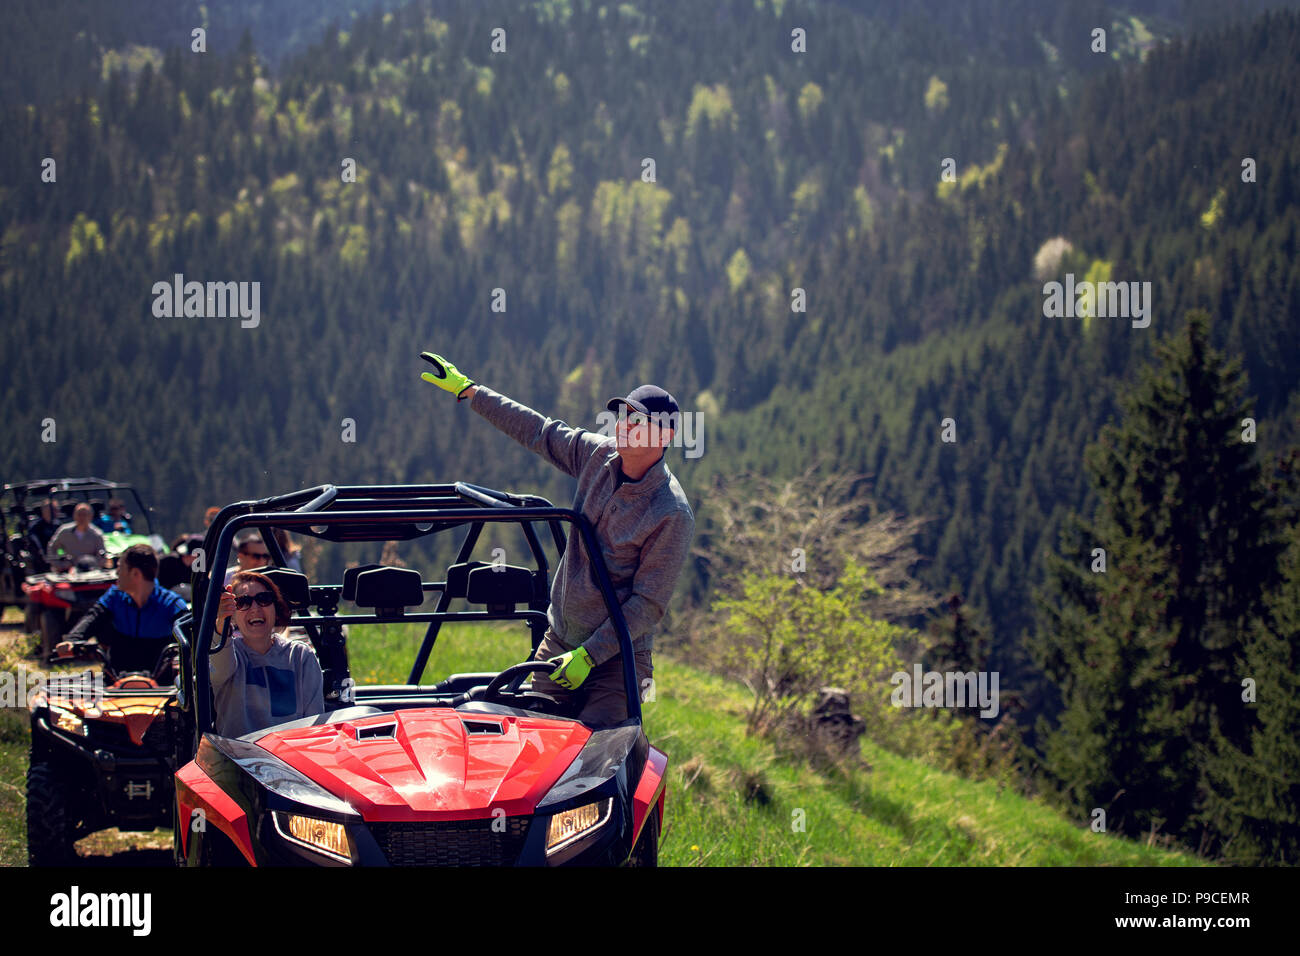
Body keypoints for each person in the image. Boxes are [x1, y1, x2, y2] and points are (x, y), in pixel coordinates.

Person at [420, 351, 695, 727]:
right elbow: (540, 431)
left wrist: (591, 655)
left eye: (638, 420)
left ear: (665, 434)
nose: (624, 425)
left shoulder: (671, 512)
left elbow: (648, 604)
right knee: (538, 746)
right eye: (623, 416)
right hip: (559, 644)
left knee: (598, 760)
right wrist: (472, 392)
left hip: (619, 663)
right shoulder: (596, 455)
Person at [210, 571, 324, 738]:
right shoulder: (226, 653)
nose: (255, 609)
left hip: (290, 756)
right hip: (240, 758)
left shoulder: (300, 656)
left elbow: (315, 724)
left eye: (264, 599)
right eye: (243, 602)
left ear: (275, 609)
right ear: (232, 616)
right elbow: (220, 670)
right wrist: (221, 623)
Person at [57, 544, 188, 675]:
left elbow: (191, 634)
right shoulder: (114, 596)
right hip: (115, 681)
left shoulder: (172, 604)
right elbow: (93, 618)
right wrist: (73, 640)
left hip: (159, 684)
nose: (116, 573)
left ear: (135, 573)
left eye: (120, 568)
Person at [45, 503, 108, 571]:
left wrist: (94, 566)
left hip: (90, 571)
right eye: (79, 514)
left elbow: (102, 556)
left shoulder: (97, 534)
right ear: (74, 515)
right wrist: (58, 564)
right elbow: (52, 547)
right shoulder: (64, 531)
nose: (81, 518)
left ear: (90, 517)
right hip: (67, 571)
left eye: (84, 515)